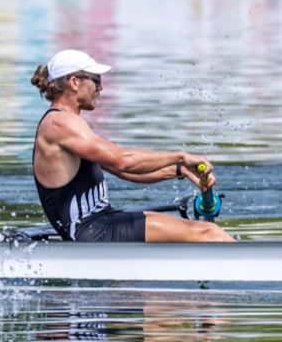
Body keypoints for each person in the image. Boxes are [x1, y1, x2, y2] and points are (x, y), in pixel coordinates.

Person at [31, 49, 233, 243]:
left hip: (101, 224)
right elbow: (123, 161)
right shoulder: (59, 124)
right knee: (209, 232)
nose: (100, 88)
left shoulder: (69, 125)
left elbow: (129, 173)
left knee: (192, 231)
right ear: (74, 82)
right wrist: (181, 156)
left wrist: (181, 171)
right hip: (92, 232)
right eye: (96, 80)